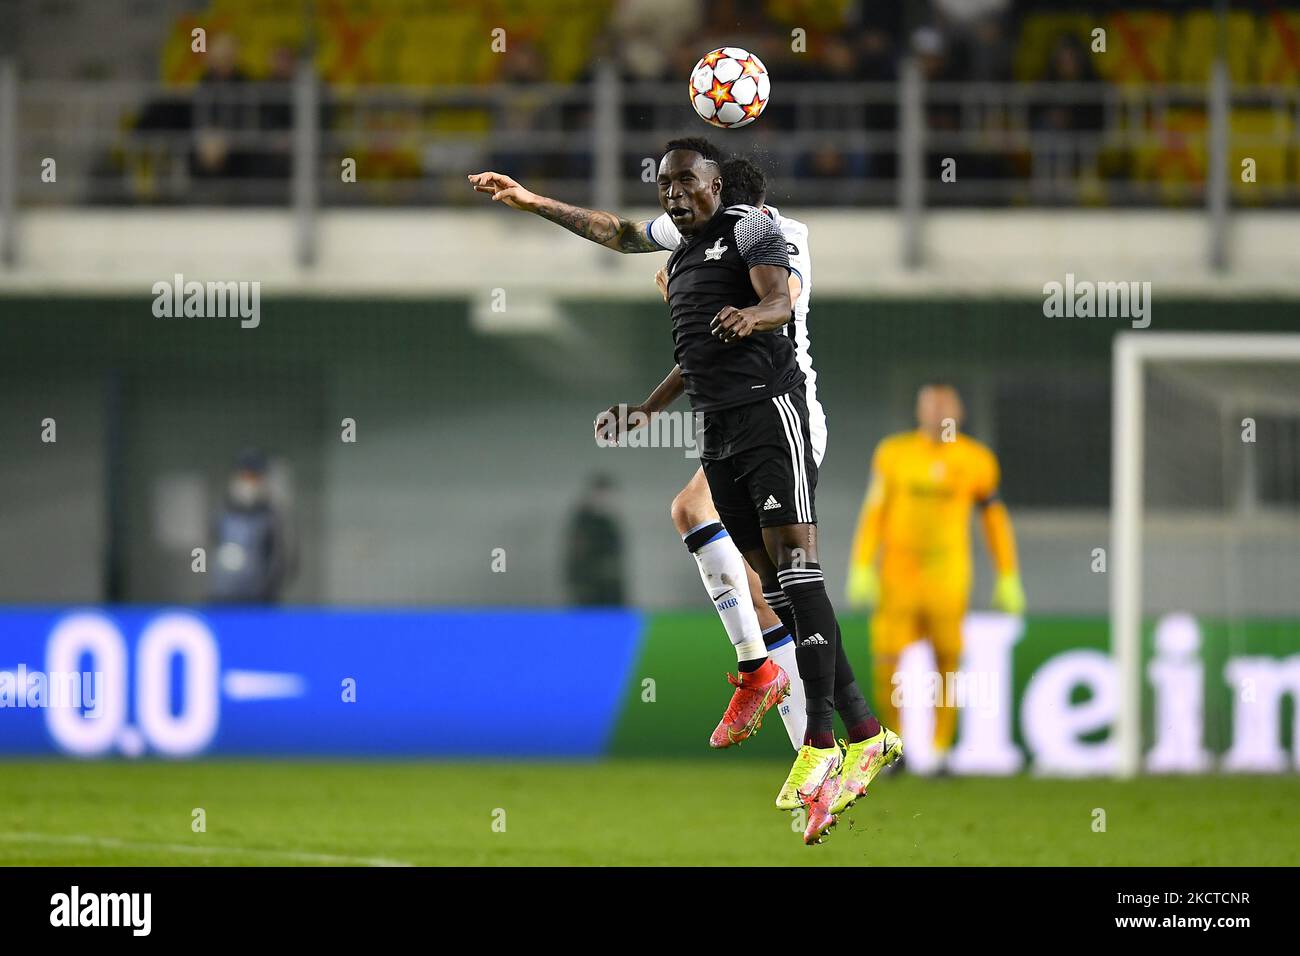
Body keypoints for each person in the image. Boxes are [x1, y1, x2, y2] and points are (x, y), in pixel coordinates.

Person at [469, 139, 900, 844]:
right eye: (664, 183)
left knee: (765, 560)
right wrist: (531, 201)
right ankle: (854, 733)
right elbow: (621, 234)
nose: (670, 196)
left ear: (720, 185)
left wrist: (748, 314)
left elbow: (781, 301)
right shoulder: (687, 245)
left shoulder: (761, 229)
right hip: (724, 417)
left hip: (782, 411)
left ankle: (801, 726)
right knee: (768, 585)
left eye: (685, 181)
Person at [846, 383, 1025, 768]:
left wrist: (1008, 574)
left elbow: (994, 519)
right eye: (931, 405)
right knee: (887, 660)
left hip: (947, 572)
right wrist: (861, 564)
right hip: (898, 573)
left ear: (959, 413)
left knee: (946, 658)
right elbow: (875, 511)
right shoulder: (893, 454)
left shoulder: (976, 460)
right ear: (919, 411)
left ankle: (941, 749)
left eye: (946, 405)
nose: (939, 413)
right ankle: (895, 747)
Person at [209, 449, 292, 604]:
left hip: (258, 602)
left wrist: (266, 590)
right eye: (244, 476)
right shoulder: (221, 512)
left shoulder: (272, 516)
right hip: (222, 598)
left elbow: (283, 560)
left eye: (254, 477)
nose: (248, 482)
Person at [563, 473, 628, 606]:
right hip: (589, 589)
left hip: (608, 589)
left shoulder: (608, 523)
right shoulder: (583, 523)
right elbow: (577, 555)